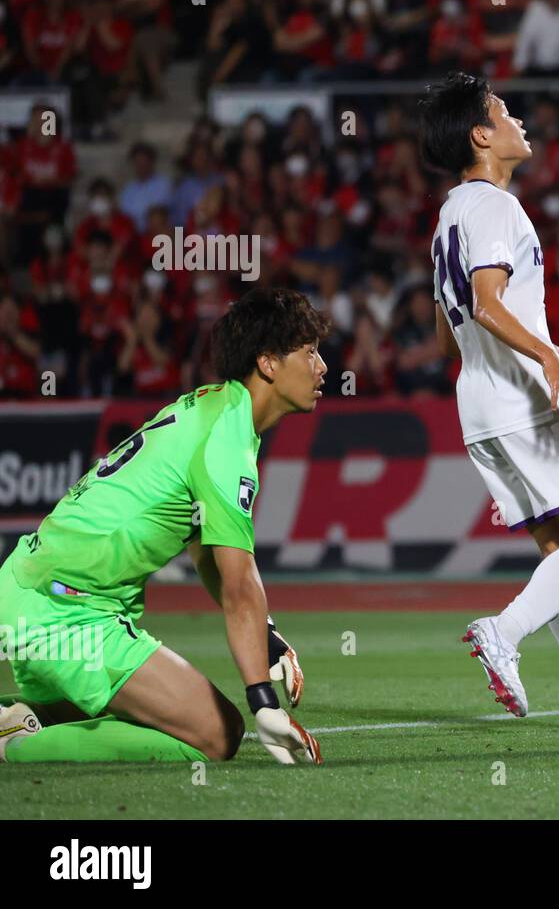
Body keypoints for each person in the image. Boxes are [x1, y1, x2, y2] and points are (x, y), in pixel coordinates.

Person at [0, 289, 326, 764]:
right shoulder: (227, 438)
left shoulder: (214, 408)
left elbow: (204, 553)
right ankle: (18, 747)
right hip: (65, 612)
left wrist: (267, 632)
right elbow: (238, 584)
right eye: (310, 352)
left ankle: (26, 716)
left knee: (165, 717)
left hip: (38, 592)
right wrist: (262, 701)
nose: (323, 367)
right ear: (268, 364)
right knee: (217, 735)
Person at [416, 72, 559, 730]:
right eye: (506, 112)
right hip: (526, 400)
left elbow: (444, 332)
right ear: (482, 135)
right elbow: (486, 303)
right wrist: (549, 355)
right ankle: (504, 633)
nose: (520, 122)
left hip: (480, 405)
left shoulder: (448, 215)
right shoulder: (493, 206)